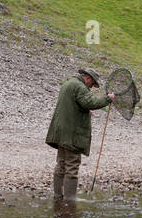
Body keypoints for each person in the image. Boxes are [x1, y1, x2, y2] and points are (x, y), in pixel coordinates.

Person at [45, 68, 115, 199]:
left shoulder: (69, 83)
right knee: (72, 165)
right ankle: (70, 200)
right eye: (92, 84)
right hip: (72, 134)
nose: (92, 87)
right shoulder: (80, 87)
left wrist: (84, 110)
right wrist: (108, 99)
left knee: (61, 164)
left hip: (60, 131)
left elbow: (74, 104)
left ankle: (58, 197)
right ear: (87, 78)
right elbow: (90, 102)